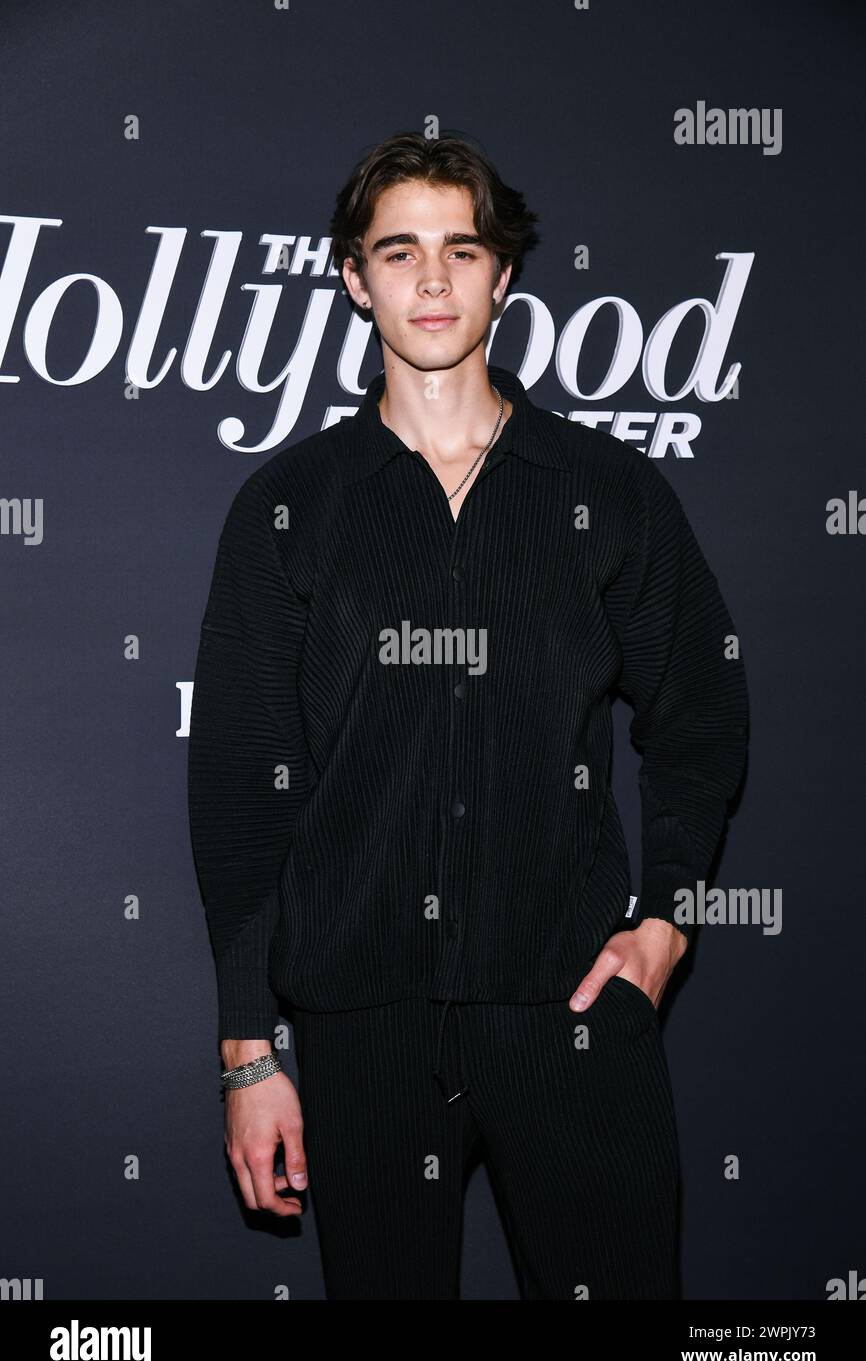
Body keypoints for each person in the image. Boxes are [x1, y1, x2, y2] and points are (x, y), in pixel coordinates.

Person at [187, 129, 749, 1300]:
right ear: (354, 276)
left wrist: (669, 922)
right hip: (361, 1027)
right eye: (399, 252)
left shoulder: (606, 492)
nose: (432, 280)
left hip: (572, 1011)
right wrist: (250, 1052)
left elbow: (699, 711)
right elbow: (243, 783)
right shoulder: (289, 509)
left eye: (462, 250)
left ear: (504, 276)